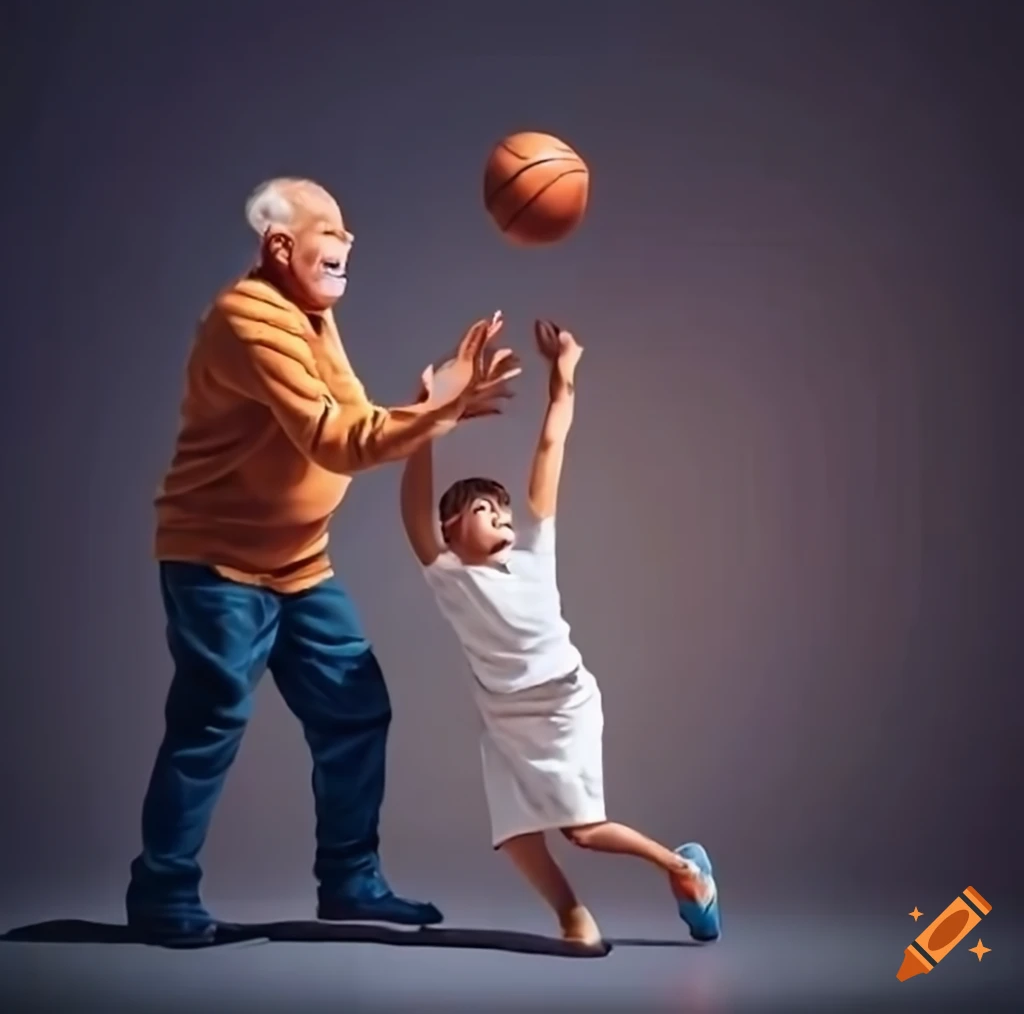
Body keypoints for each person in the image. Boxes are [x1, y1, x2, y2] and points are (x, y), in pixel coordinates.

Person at [126, 177, 520, 946]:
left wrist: (436, 408)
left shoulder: (312, 315)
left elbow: (358, 417)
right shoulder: (250, 321)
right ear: (280, 246)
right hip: (217, 562)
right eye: (330, 231)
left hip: (299, 565)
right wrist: (435, 411)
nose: (349, 244)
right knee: (210, 718)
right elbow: (333, 440)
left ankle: (349, 881)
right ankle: (161, 893)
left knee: (355, 709)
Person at [398, 320, 721, 947]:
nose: (501, 516)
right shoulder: (448, 577)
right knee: (515, 835)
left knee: (583, 830)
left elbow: (550, 449)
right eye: (482, 511)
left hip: (563, 705)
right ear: (450, 531)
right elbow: (412, 509)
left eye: (503, 510)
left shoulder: (535, 552)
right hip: (505, 720)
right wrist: (425, 422)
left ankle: (686, 871)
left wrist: (563, 377)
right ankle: (574, 917)